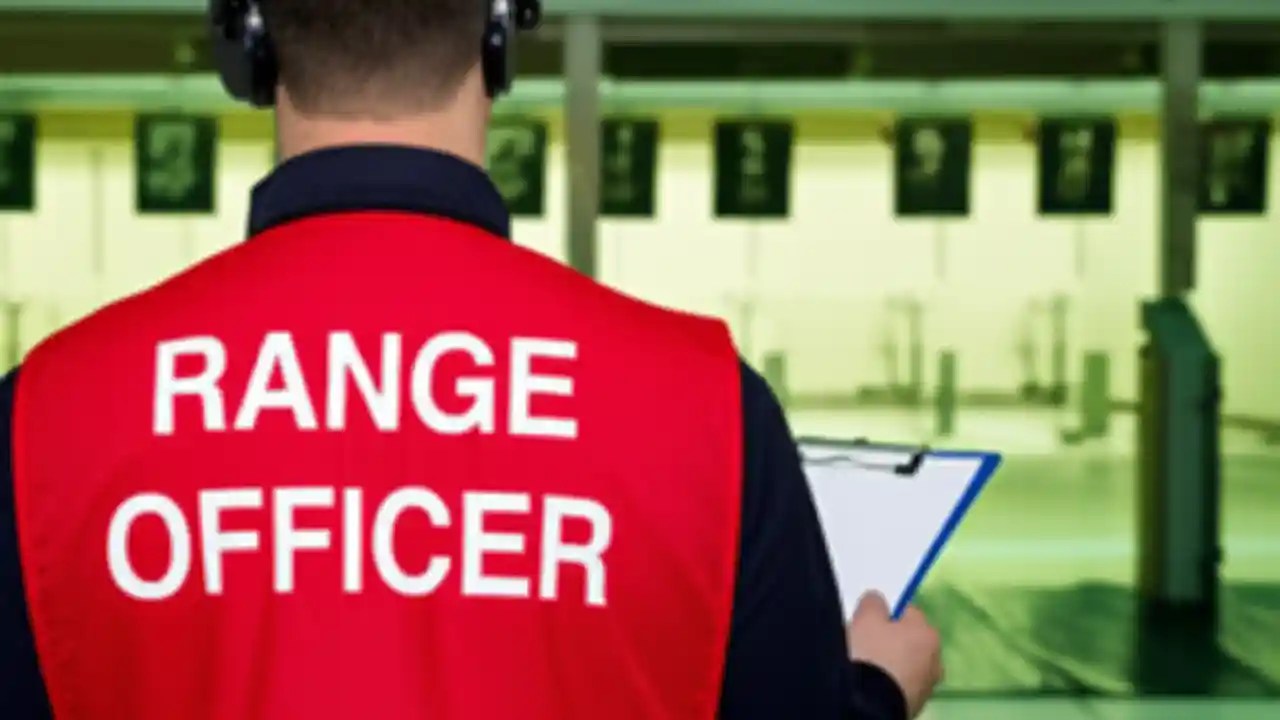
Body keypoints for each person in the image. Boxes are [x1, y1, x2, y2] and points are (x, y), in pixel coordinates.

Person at [0, 1, 942, 718]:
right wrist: (874, 690)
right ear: (502, 35)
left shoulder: (45, 416)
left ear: (243, 39)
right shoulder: (710, 409)